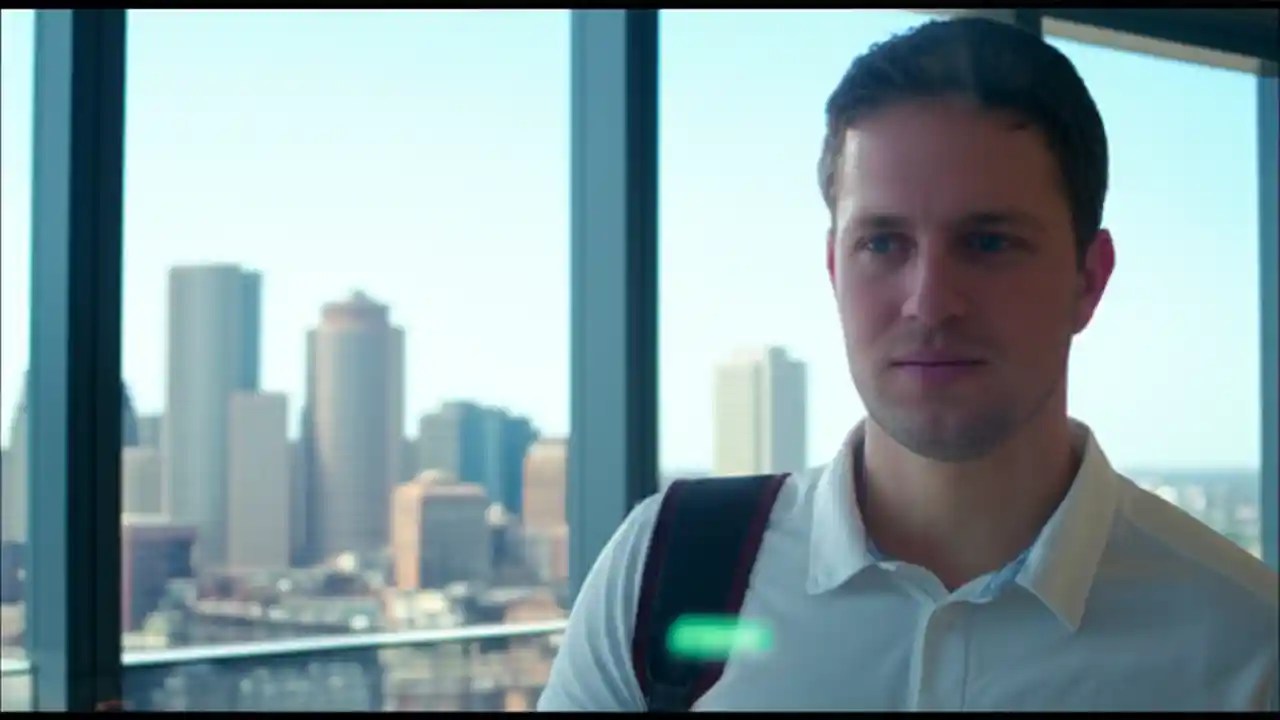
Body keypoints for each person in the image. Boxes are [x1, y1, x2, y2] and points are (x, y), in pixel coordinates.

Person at [537, 16, 1279, 712]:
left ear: (1089, 280)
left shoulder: (1247, 646)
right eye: (883, 244)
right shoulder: (664, 570)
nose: (929, 303)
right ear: (835, 270)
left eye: (988, 242)